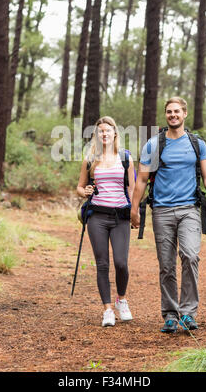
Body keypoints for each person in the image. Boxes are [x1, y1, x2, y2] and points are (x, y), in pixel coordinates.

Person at [131, 97, 206, 333]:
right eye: (169, 112)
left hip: (189, 209)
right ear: (166, 115)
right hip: (161, 211)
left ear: (185, 114)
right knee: (166, 265)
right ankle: (171, 315)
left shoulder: (197, 144)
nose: (173, 115)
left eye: (177, 111)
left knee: (191, 256)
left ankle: (188, 314)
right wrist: (134, 209)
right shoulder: (153, 145)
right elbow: (141, 180)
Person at [77, 116, 135, 327]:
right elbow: (80, 187)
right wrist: (86, 191)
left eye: (108, 131)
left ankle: (122, 300)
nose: (104, 134)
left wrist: (134, 212)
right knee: (102, 264)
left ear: (114, 133)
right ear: (97, 135)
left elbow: (132, 188)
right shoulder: (90, 158)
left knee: (121, 263)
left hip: (120, 216)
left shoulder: (126, 158)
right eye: (100, 131)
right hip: (97, 217)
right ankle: (107, 310)